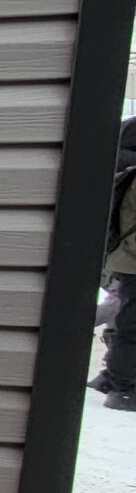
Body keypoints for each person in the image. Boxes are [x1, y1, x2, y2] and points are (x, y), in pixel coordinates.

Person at [95, 117, 136, 409]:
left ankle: (112, 378)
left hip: (124, 258)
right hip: (131, 259)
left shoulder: (127, 170)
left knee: (124, 320)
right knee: (131, 326)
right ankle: (124, 389)